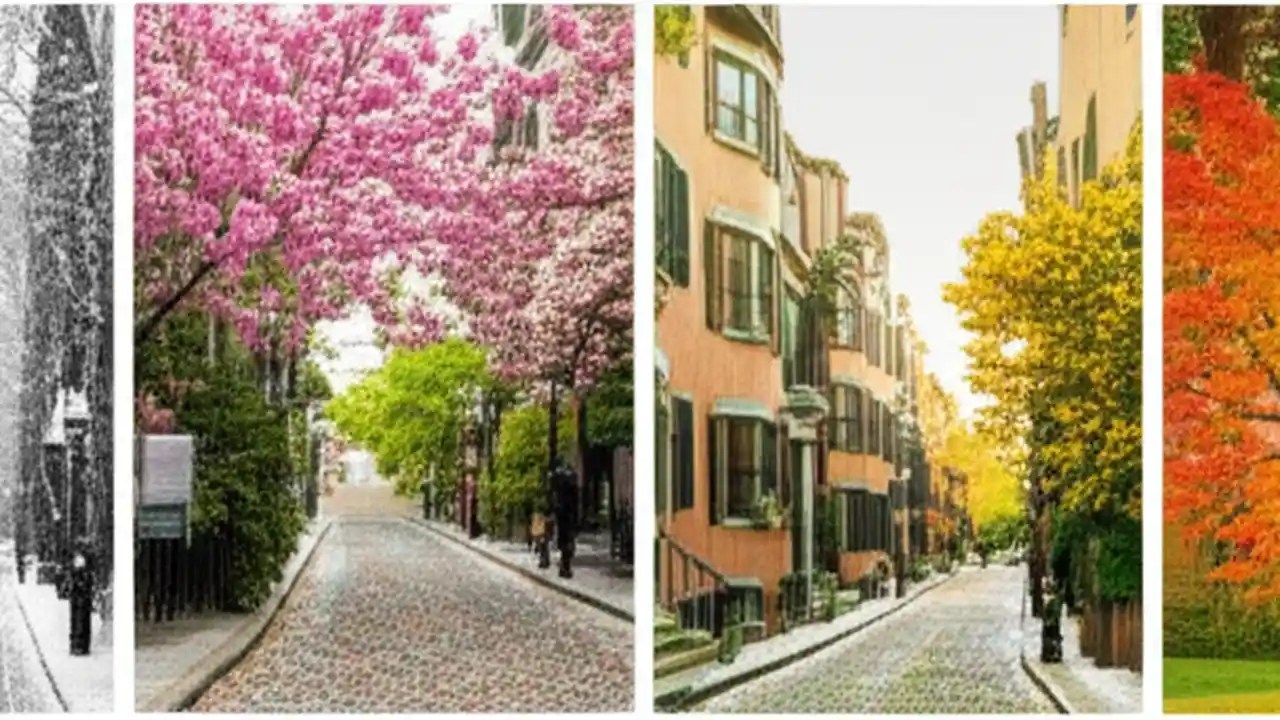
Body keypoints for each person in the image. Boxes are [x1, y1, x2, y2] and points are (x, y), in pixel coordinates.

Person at [553, 458, 578, 579]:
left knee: (563, 541)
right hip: (568, 515)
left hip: (561, 514)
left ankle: (564, 567)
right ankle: (565, 567)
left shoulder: (558, 482)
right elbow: (575, 501)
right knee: (568, 541)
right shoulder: (571, 483)